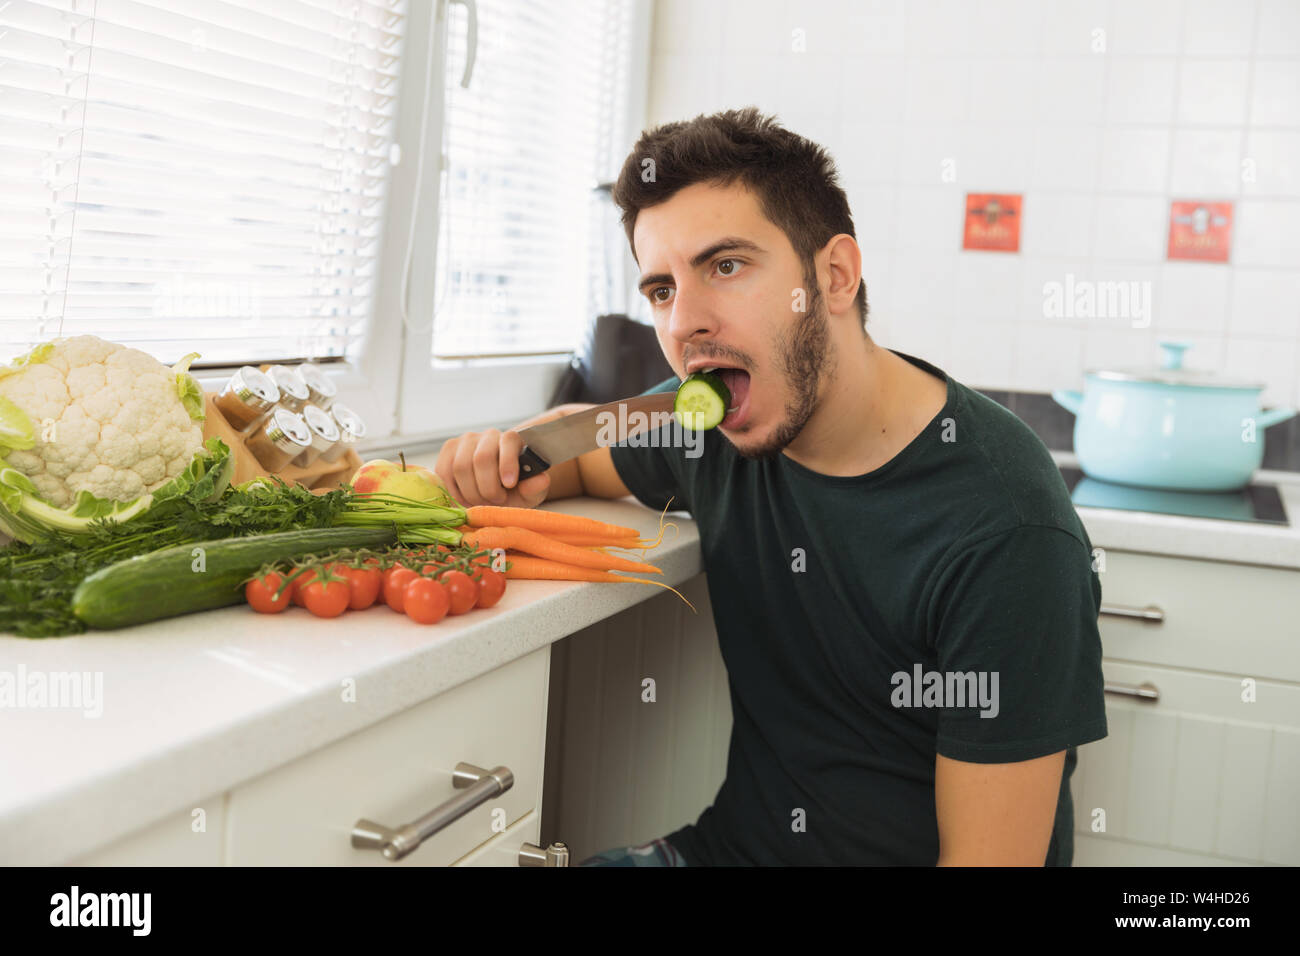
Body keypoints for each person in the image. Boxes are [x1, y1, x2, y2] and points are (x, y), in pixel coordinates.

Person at [434, 107, 1107, 866]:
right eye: (660, 289)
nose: (684, 321)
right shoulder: (714, 421)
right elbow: (583, 452)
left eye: (726, 266)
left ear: (834, 276)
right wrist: (505, 460)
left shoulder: (1005, 528)